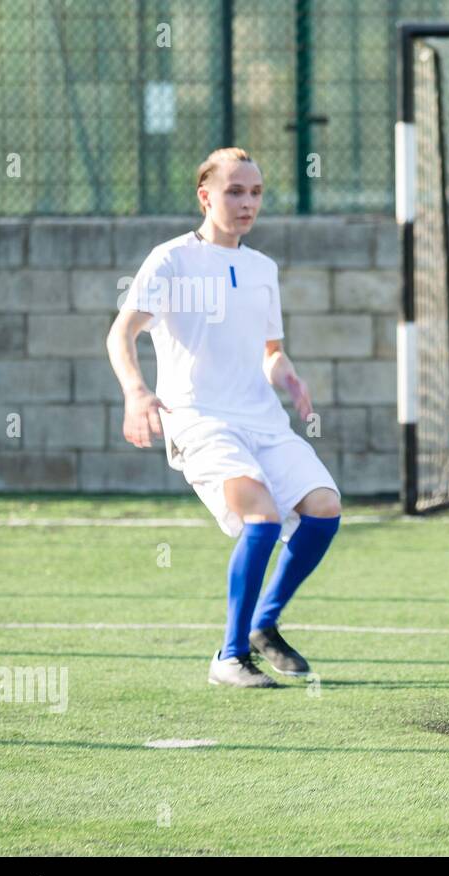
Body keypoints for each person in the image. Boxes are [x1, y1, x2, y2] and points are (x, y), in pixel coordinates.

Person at [106, 147, 342, 688]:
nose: (247, 202)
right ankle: (229, 656)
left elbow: (270, 350)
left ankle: (264, 625)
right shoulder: (170, 260)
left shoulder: (263, 269)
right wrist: (136, 391)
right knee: (260, 518)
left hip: (262, 420)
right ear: (205, 195)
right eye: (235, 191)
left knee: (325, 509)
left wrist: (288, 376)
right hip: (198, 418)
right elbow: (121, 333)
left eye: (256, 192)